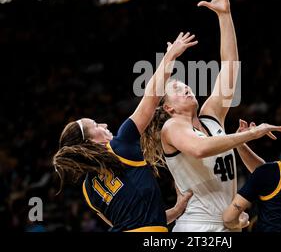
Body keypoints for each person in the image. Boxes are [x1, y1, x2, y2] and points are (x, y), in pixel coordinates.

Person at [142, 0, 281, 232]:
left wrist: (224, 15)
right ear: (168, 108)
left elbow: (230, 66)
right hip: (196, 227)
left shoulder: (211, 116)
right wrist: (249, 135)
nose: (185, 87)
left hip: (228, 224)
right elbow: (199, 148)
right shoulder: (172, 128)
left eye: (184, 84)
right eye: (176, 89)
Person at [53, 32, 197, 232]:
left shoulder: (88, 190)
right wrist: (170, 56)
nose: (103, 125)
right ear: (90, 142)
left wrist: (177, 209)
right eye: (95, 125)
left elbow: (140, 222)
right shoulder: (120, 146)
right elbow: (152, 96)